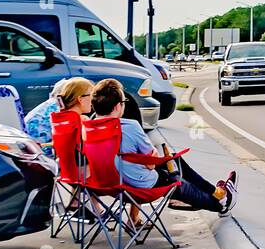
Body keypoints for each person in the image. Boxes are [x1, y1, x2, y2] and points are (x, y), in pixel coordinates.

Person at [89, 79, 236, 214]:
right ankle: (221, 203)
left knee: (172, 162)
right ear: (116, 107)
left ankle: (219, 194)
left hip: (105, 185)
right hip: (137, 185)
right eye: (123, 101)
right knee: (175, 178)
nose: (124, 104)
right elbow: (152, 162)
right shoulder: (129, 126)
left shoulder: (86, 128)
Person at [23, 77, 94, 147]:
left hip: (28, 148)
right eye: (91, 95)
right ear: (79, 99)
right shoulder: (67, 119)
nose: (93, 99)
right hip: (42, 154)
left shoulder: (57, 108)